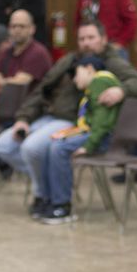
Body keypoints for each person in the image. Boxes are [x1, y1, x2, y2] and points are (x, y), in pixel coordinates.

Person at [0, 19, 137, 216]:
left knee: (32, 148)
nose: (86, 43)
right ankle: (51, 182)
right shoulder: (69, 59)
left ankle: (44, 194)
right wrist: (23, 118)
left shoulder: (111, 61)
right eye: (82, 38)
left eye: (91, 38)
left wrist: (121, 90)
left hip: (72, 121)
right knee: (3, 146)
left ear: (103, 39)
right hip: (46, 116)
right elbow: (42, 90)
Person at [39, 55, 121, 224]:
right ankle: (50, 199)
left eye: (77, 73)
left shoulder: (100, 81)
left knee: (58, 148)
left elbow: (102, 121)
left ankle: (61, 205)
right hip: (96, 134)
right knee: (53, 143)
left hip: (101, 138)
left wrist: (89, 146)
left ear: (90, 69)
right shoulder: (95, 86)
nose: (75, 79)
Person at [0, 9, 53, 93]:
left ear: (32, 29)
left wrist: (1, 81)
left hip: (33, 104)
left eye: (22, 26)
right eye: (13, 26)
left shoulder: (38, 52)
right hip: (9, 101)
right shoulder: (6, 52)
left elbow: (19, 83)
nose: (17, 30)